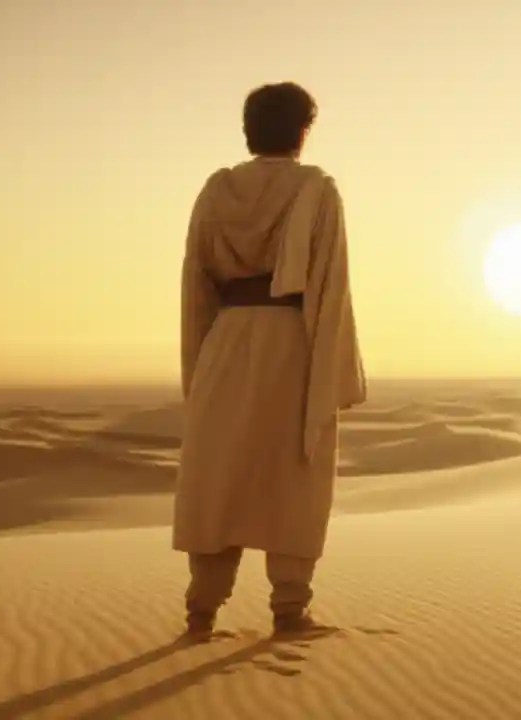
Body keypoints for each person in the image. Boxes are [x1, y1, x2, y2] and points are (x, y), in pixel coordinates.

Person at [173, 82, 367, 639]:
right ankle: (289, 609)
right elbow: (331, 288)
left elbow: (196, 282)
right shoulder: (317, 189)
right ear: (303, 130)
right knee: (294, 472)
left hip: (225, 341)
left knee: (220, 471)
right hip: (292, 341)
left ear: (247, 129)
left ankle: (201, 609)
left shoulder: (215, 190)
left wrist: (201, 359)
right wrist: (334, 372)